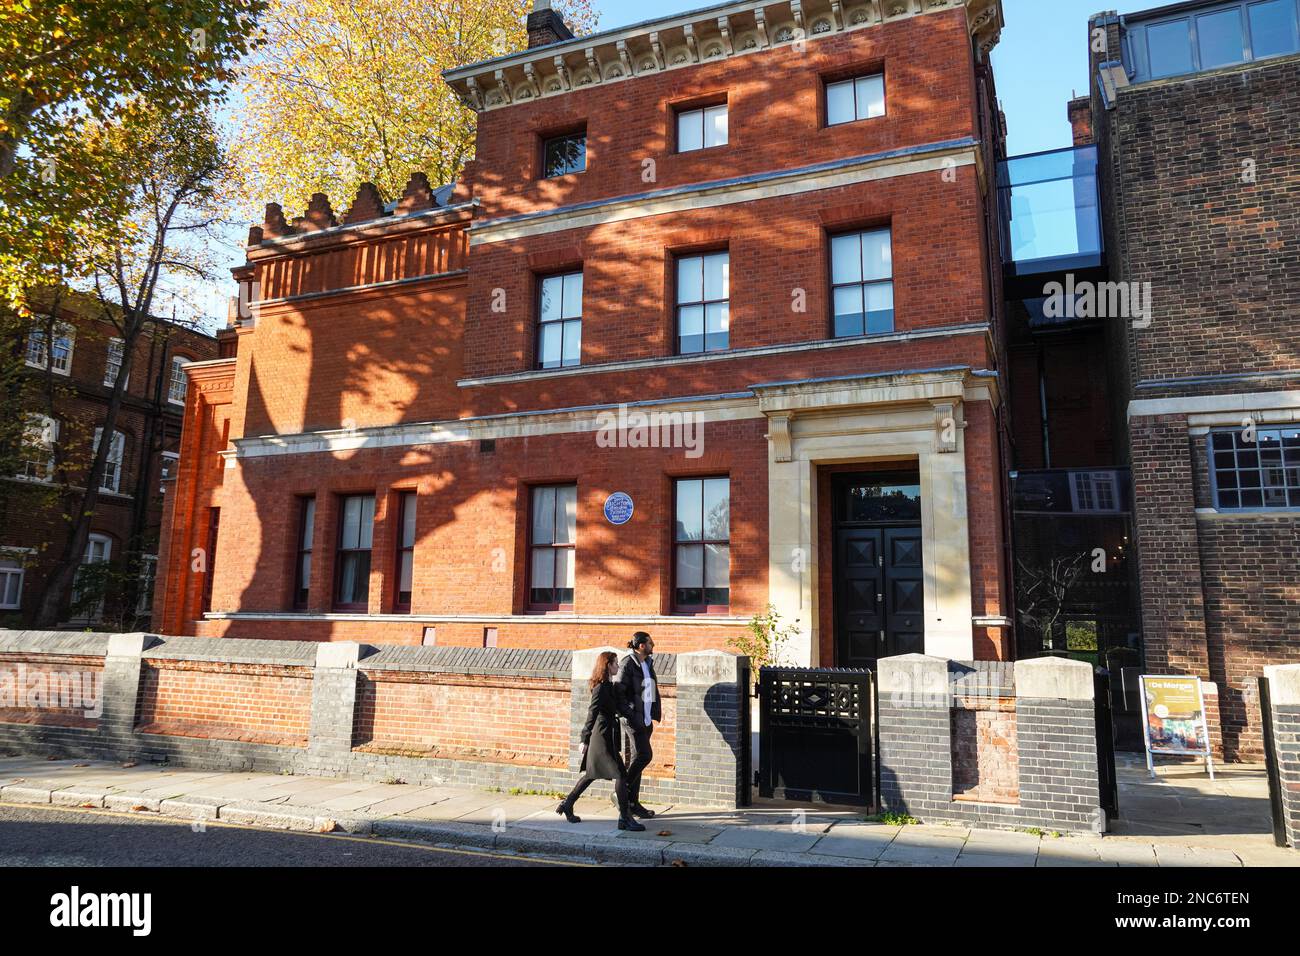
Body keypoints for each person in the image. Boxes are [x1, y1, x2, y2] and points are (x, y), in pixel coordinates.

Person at [555, 650, 645, 831]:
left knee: (591, 774)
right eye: (615, 663)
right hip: (601, 737)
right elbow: (592, 712)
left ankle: (567, 804)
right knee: (620, 774)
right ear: (607, 666)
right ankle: (625, 818)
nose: (618, 666)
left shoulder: (610, 687)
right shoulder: (600, 688)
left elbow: (618, 708)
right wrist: (584, 738)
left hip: (608, 735)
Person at [616, 631, 660, 819]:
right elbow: (619, 694)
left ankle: (633, 803)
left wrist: (654, 712)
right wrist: (632, 716)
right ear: (641, 645)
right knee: (645, 755)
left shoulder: (647, 663)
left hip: (646, 719)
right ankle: (621, 790)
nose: (653, 645)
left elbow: (650, 689)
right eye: (650, 643)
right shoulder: (628, 663)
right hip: (634, 720)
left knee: (637, 760)